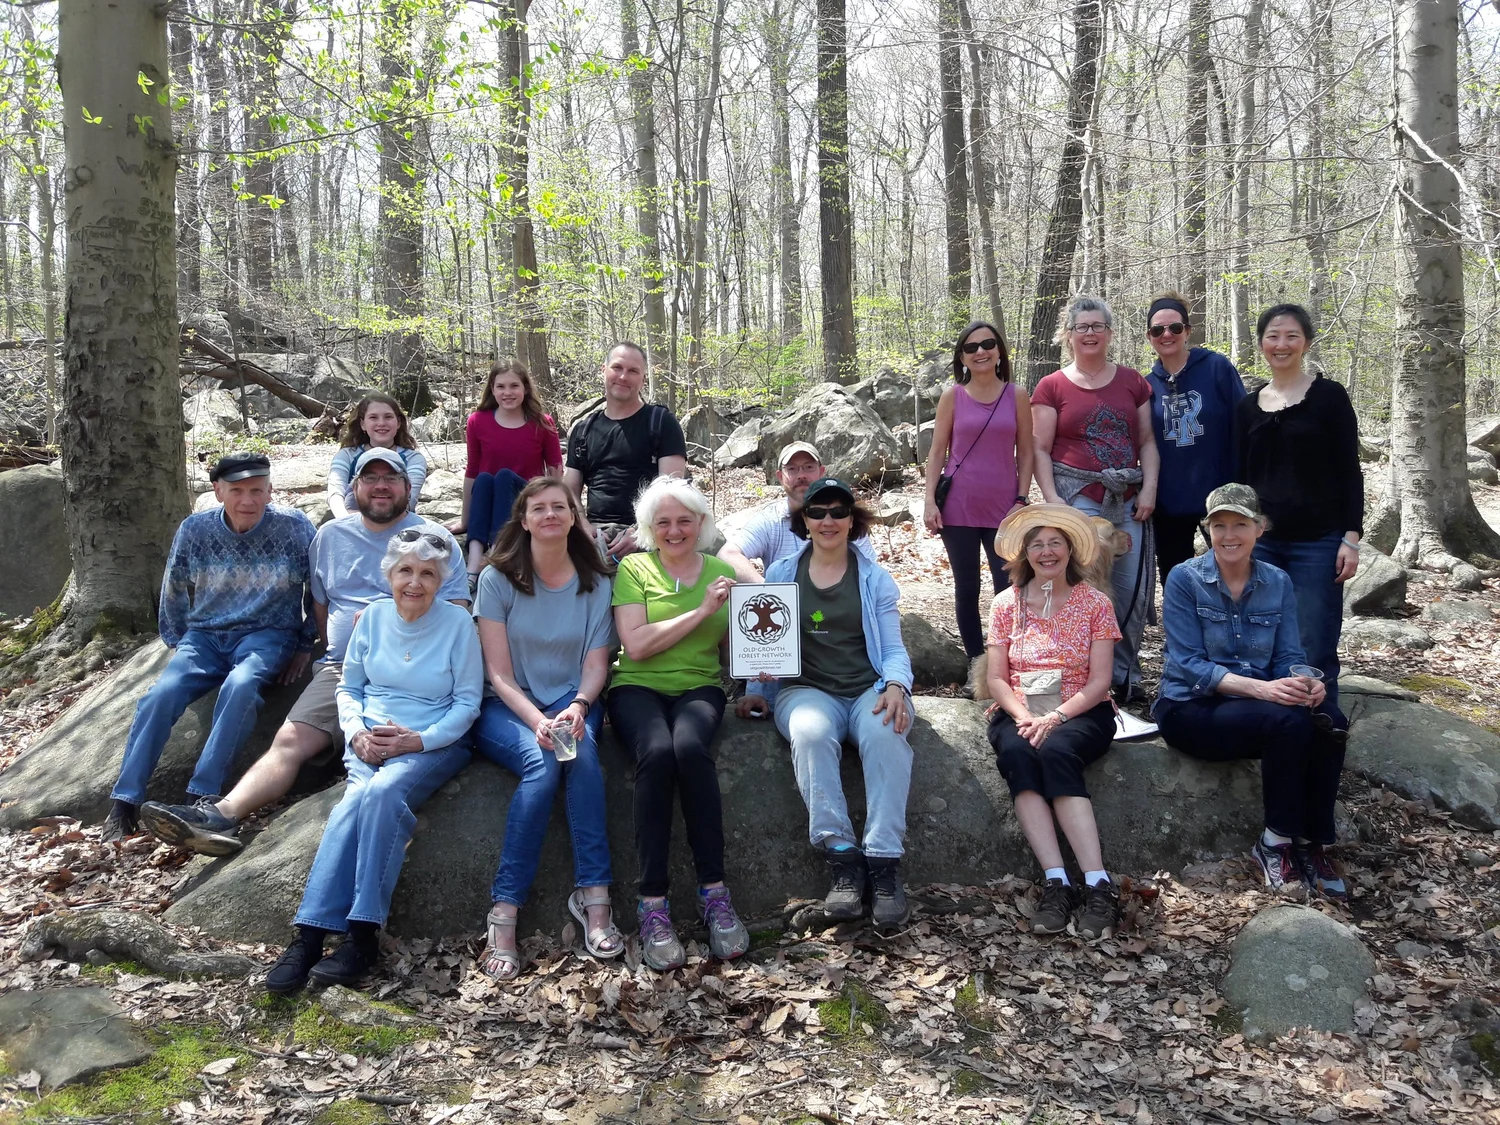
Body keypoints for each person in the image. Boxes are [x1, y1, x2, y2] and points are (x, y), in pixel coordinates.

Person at [139, 450, 469, 855]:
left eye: (391, 478)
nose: (381, 486)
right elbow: (320, 602)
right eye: (370, 478)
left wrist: (392, 618)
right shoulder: (331, 536)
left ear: (407, 487)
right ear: (354, 488)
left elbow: (458, 613)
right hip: (342, 670)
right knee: (289, 741)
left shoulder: (434, 539)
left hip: (418, 676)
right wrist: (315, 644)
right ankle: (218, 815)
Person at [264, 531, 481, 993]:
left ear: (442, 580)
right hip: (369, 740)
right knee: (351, 804)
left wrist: (418, 741)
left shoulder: (459, 625)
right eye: (405, 571)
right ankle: (309, 937)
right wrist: (357, 732)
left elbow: (467, 704)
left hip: (433, 740)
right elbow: (348, 686)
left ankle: (361, 935)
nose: (415, 582)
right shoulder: (373, 618)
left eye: (427, 573)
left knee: (382, 795)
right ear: (389, 575)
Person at [102, 454, 318, 842]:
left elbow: (319, 588)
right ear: (218, 492)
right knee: (159, 697)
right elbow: (173, 588)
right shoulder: (195, 530)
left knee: (240, 687)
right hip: (204, 638)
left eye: (257, 490)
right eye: (237, 491)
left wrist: (304, 643)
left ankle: (202, 797)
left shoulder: (295, 527)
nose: (248, 500)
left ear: (270, 490)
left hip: (267, 634)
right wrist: (178, 638)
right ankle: (125, 802)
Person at [738, 477, 915, 933]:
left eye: (839, 511)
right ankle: (842, 858)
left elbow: (894, 648)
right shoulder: (780, 573)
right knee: (811, 734)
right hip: (807, 691)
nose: (828, 520)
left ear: (853, 521)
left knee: (887, 733)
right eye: (818, 512)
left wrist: (896, 684)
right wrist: (753, 689)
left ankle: (884, 863)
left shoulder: (875, 578)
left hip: (866, 688)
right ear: (804, 521)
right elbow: (762, 643)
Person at [1155, 484, 1347, 898]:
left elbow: (1289, 655)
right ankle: (1274, 843)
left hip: (1256, 708)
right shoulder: (1184, 579)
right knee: (1285, 719)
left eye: (1239, 524)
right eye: (1218, 525)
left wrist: (1304, 682)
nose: (1228, 535)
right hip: (1189, 708)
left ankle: (1313, 842)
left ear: (1260, 528)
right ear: (1207, 530)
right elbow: (1188, 665)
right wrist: (1265, 690)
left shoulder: (1277, 581)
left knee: (1329, 718)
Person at [472, 478, 621, 981]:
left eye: (562, 506)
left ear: (576, 517)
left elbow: (597, 665)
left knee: (580, 758)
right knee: (542, 766)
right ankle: (504, 911)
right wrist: (536, 720)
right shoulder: (497, 579)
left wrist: (579, 705)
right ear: (524, 519)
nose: (551, 515)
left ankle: (594, 899)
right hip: (509, 706)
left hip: (573, 701)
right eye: (540, 508)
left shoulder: (597, 580)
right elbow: (497, 674)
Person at [607, 477, 749, 970]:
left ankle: (714, 892)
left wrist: (757, 680)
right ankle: (652, 904)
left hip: (699, 687)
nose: (674, 530)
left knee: (689, 750)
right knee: (659, 753)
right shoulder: (633, 568)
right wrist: (702, 609)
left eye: (684, 520)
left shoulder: (720, 570)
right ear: (648, 527)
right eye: (663, 522)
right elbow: (638, 643)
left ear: (701, 524)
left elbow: (738, 645)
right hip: (636, 688)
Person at [984, 504, 1122, 941]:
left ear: (1070, 550)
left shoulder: (1095, 603)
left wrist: (1057, 717)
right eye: (1037, 545)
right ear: (1024, 554)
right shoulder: (1006, 605)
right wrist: (1027, 717)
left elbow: (1101, 681)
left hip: (1081, 708)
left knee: (1060, 752)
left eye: (1055, 543)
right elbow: (995, 678)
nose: (1046, 552)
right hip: (1020, 710)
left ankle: (1099, 883)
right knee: (1019, 755)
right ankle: (1057, 881)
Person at [1236, 304, 1362, 719]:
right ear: (1260, 343)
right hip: (1263, 544)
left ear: (1305, 342)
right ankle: (1273, 725)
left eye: (1291, 336)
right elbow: (1240, 480)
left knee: (1313, 640)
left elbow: (1349, 470)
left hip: (1319, 541)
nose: (1281, 344)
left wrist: (1350, 537)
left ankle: (1321, 729)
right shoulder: (1248, 407)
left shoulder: (1328, 397)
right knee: (1259, 636)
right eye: (1272, 336)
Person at [1031, 294, 1158, 704]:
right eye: (1081, 327)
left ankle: (1124, 676)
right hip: (1077, 499)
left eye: (1097, 326)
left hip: (1129, 498)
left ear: (1110, 333)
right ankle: (1082, 678)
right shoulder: (1052, 386)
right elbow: (1040, 449)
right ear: (1068, 335)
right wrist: (1054, 502)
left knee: (1130, 591)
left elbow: (1148, 441)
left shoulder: (1133, 382)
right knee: (1086, 592)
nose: (1090, 333)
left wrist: (1150, 490)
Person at [924, 322, 1034, 661]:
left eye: (987, 344)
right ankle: (976, 664)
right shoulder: (952, 396)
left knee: (1009, 589)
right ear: (962, 357)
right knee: (967, 587)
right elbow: (937, 451)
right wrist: (930, 501)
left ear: (999, 350)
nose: (980, 352)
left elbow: (1027, 451)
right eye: (971, 348)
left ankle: (1007, 661)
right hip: (959, 507)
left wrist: (1022, 499)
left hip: (1005, 509)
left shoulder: (1016, 395)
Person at [1143, 292, 1246, 581]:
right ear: (1149, 336)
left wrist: (1243, 483)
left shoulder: (1216, 368)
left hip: (1222, 497)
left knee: (1231, 576)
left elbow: (1244, 425)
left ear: (1187, 331)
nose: (1167, 334)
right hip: (1169, 502)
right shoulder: (1147, 387)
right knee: (1177, 581)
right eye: (1158, 329)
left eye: (1175, 327)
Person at [446, 360, 563, 592]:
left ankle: (500, 550)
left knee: (503, 476)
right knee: (485, 478)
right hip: (488, 496)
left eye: (514, 386)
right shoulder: (477, 421)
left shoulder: (542, 422)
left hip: (527, 497)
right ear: (492, 389)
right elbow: (473, 470)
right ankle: (475, 561)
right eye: (500, 387)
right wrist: (464, 519)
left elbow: (555, 470)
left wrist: (557, 508)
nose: (507, 393)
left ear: (525, 388)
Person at [564, 342, 687, 561]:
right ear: (604, 370)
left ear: (643, 379)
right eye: (617, 368)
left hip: (650, 533)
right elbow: (569, 490)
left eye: (633, 371)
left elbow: (671, 489)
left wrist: (641, 533)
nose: (623, 377)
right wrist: (581, 523)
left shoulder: (661, 423)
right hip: (594, 532)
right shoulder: (583, 429)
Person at [717, 441, 875, 582]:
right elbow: (727, 555)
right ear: (780, 476)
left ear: (821, 472)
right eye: (792, 469)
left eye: (808, 467)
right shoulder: (770, 520)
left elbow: (871, 574)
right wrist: (767, 591)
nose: (801, 476)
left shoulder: (842, 517)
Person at [327, 394, 428, 518]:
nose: (381, 423)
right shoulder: (347, 455)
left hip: (399, 524)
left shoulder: (414, 459)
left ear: (398, 423)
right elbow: (336, 492)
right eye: (373, 417)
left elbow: (409, 500)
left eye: (388, 417)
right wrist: (346, 522)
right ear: (362, 424)